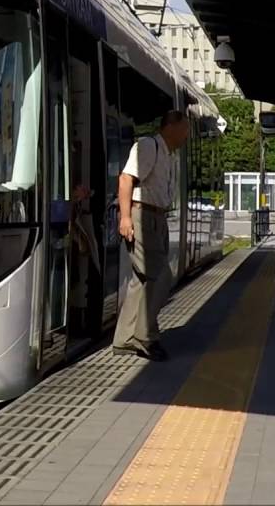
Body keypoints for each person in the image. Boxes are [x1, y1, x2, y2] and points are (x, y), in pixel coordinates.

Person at [113, 109, 190, 361]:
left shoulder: (169, 154)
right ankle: (145, 337)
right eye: (185, 128)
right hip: (141, 215)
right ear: (171, 127)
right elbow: (126, 179)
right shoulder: (149, 146)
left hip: (157, 217)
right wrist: (125, 217)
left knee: (142, 279)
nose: (188, 134)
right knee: (161, 276)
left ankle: (123, 339)